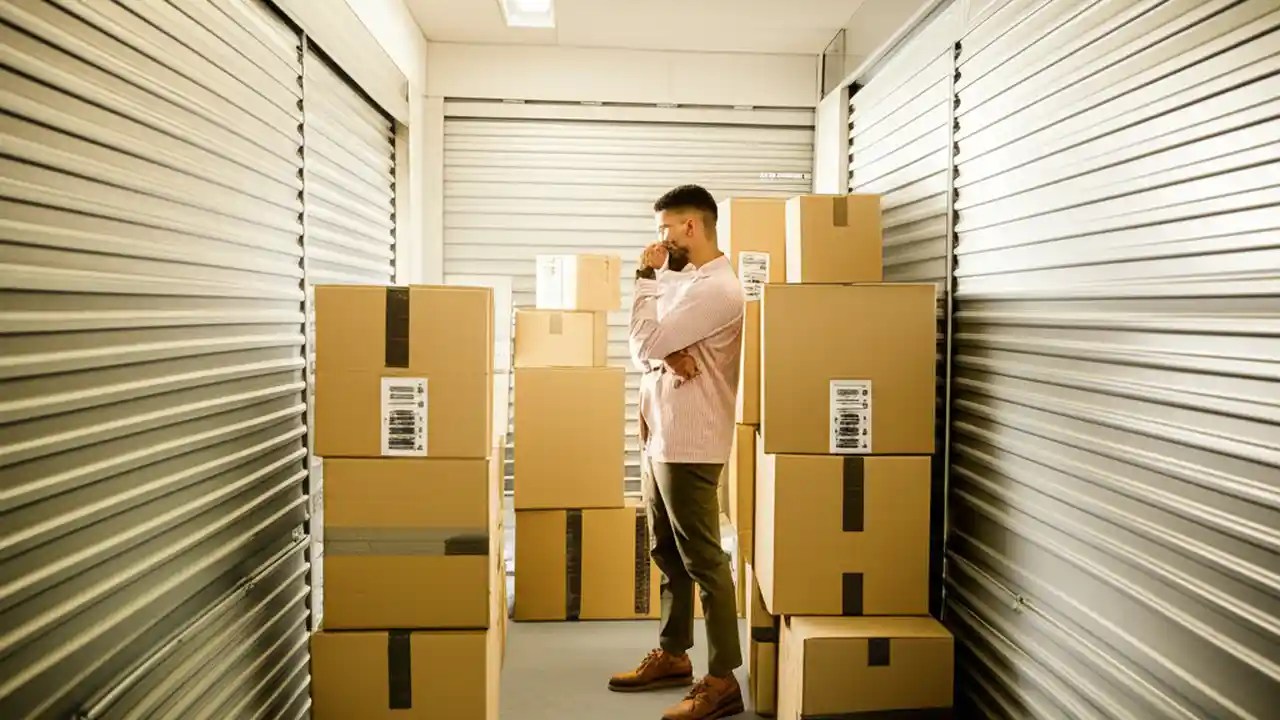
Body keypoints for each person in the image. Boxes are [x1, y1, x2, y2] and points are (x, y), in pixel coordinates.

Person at [611, 185, 746, 720]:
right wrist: (667, 359)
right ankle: (672, 654)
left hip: (691, 441)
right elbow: (649, 351)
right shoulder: (687, 282)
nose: (658, 240)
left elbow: (643, 341)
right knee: (666, 553)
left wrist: (644, 279)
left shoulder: (717, 290)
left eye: (666, 229)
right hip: (660, 435)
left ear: (691, 227)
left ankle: (723, 679)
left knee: (704, 561)